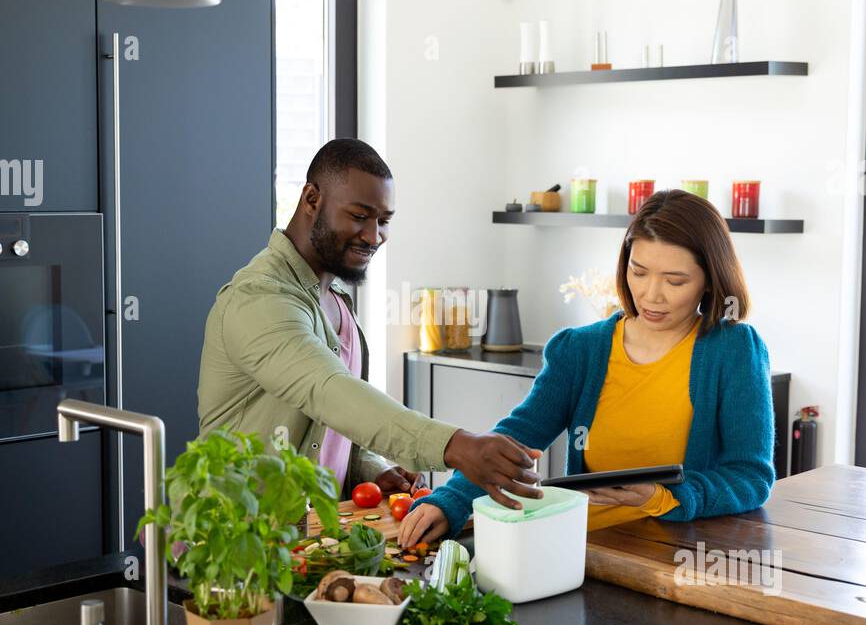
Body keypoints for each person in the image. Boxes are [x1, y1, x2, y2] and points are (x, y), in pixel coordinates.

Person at [399, 188, 775, 549]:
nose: (651, 294)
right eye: (639, 272)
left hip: (680, 557)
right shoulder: (582, 349)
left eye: (675, 280)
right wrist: (450, 500)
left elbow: (750, 477)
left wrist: (664, 497)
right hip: (584, 550)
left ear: (710, 280)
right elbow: (517, 436)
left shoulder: (734, 351)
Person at [198, 138, 543, 504]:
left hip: (305, 539)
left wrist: (371, 467)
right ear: (311, 200)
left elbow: (326, 426)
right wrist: (457, 446)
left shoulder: (335, 301)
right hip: (234, 544)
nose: (373, 236)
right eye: (360, 216)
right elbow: (329, 392)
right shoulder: (259, 298)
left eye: (384, 221)